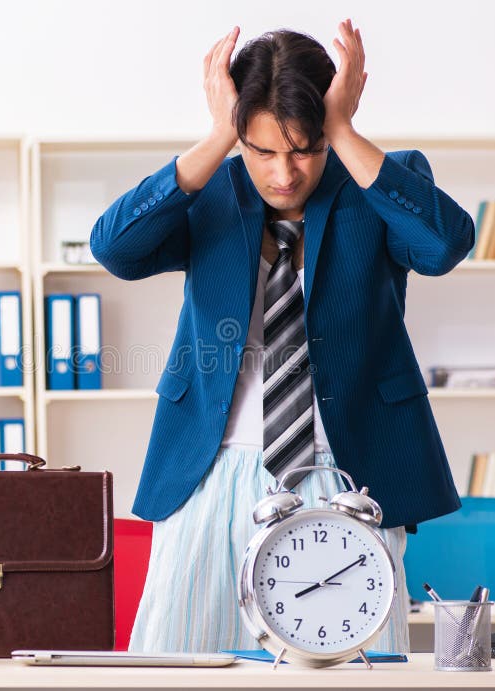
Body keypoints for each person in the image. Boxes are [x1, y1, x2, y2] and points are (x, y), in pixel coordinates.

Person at [90, 20, 475, 654]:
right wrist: (220, 136)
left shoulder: (377, 182)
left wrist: (344, 132)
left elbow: (444, 246)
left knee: (348, 664)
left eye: (304, 149)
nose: (284, 174)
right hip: (210, 471)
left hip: (346, 476)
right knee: (180, 657)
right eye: (263, 151)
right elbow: (116, 250)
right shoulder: (210, 186)